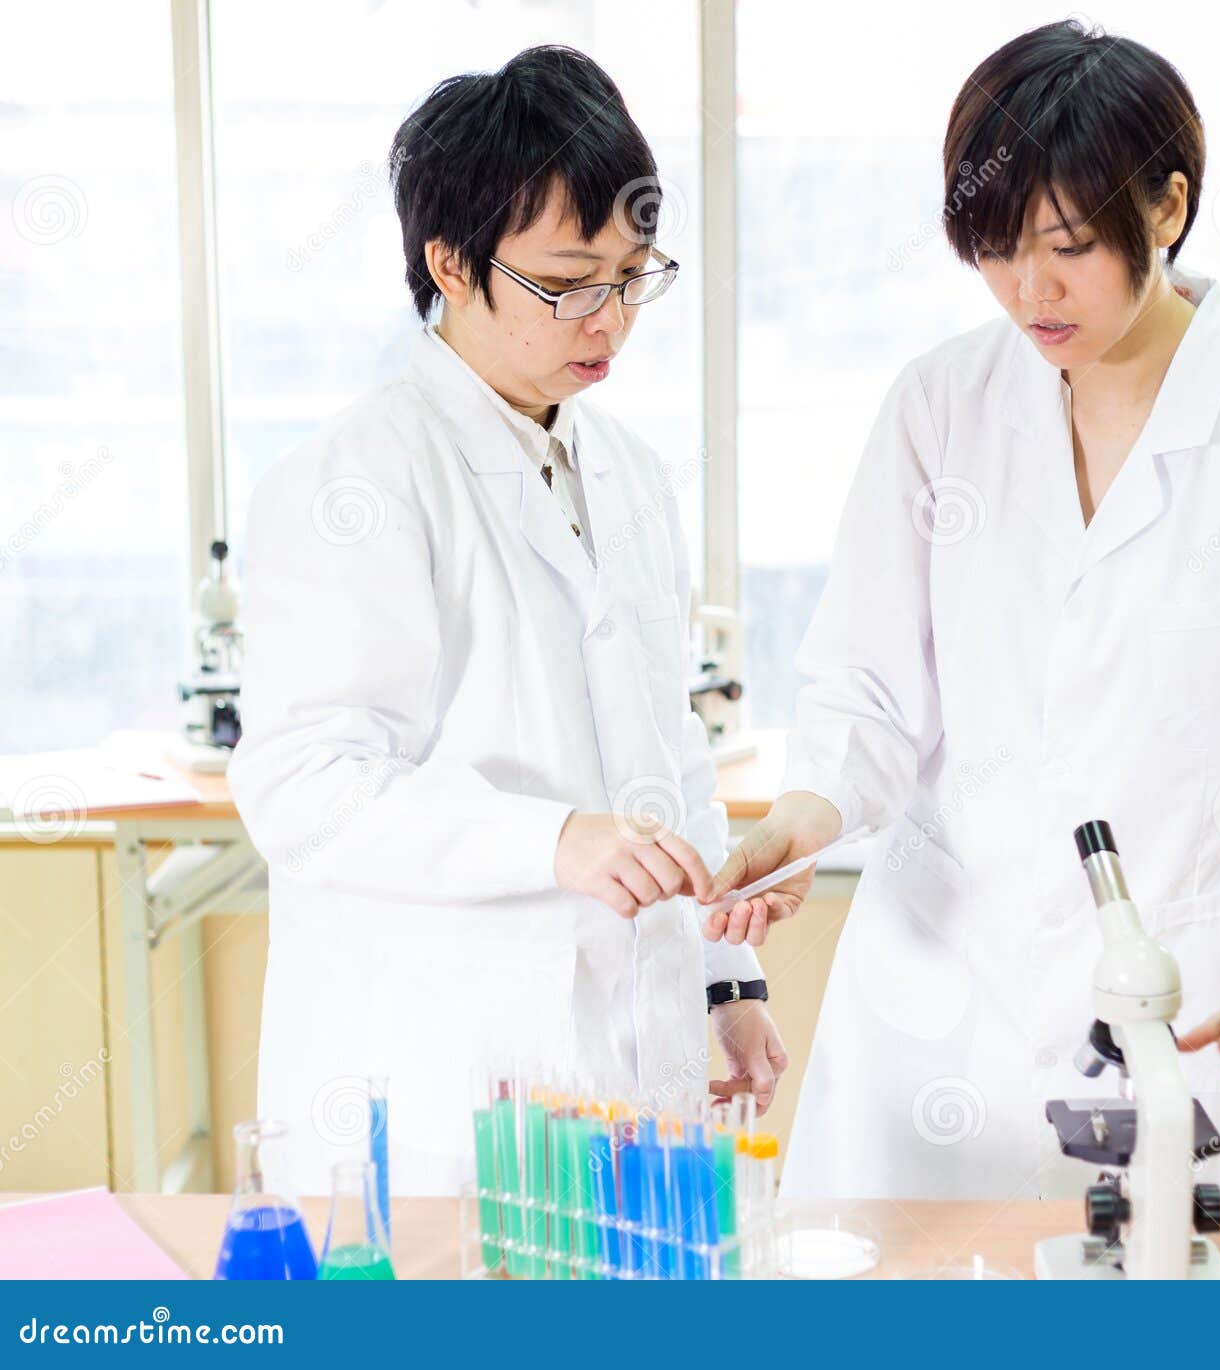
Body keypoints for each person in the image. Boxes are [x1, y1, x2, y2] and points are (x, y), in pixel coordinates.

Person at [700, 20, 1220, 1202]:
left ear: (1169, 207)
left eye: (1068, 246)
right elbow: (868, 685)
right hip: (945, 1005)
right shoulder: (938, 407)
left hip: (1199, 1005)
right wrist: (811, 805)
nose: (1027, 290)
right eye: (995, 250)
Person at [230, 46, 785, 1196]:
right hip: (442, 1081)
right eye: (567, 281)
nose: (611, 319)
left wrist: (725, 980)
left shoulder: (625, 471)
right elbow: (304, 785)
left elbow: (668, 752)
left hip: (638, 1063)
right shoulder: (354, 480)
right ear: (451, 262)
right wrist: (553, 838)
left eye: (634, 275)